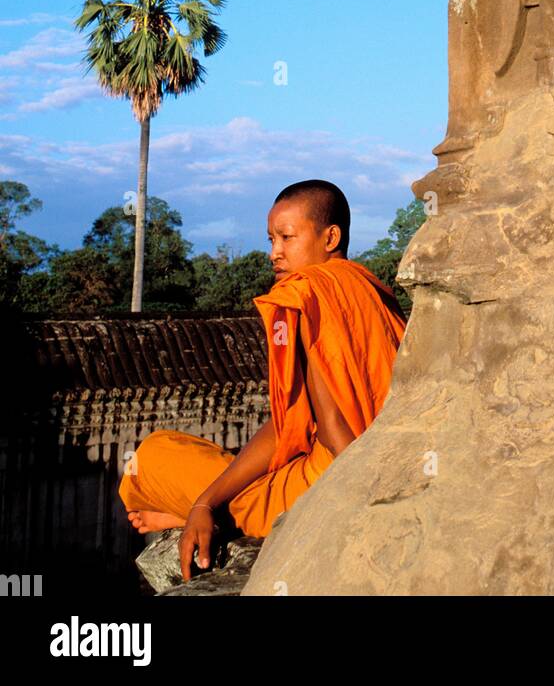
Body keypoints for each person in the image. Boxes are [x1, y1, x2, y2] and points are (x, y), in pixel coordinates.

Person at [119, 179, 407, 581]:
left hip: (329, 479)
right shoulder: (370, 289)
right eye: (271, 238)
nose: (274, 252)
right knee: (201, 455)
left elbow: (334, 428)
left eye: (287, 237)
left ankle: (211, 513)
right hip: (368, 458)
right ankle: (205, 507)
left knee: (149, 458)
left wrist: (366, 499)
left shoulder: (309, 293)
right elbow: (291, 422)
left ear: (331, 237)